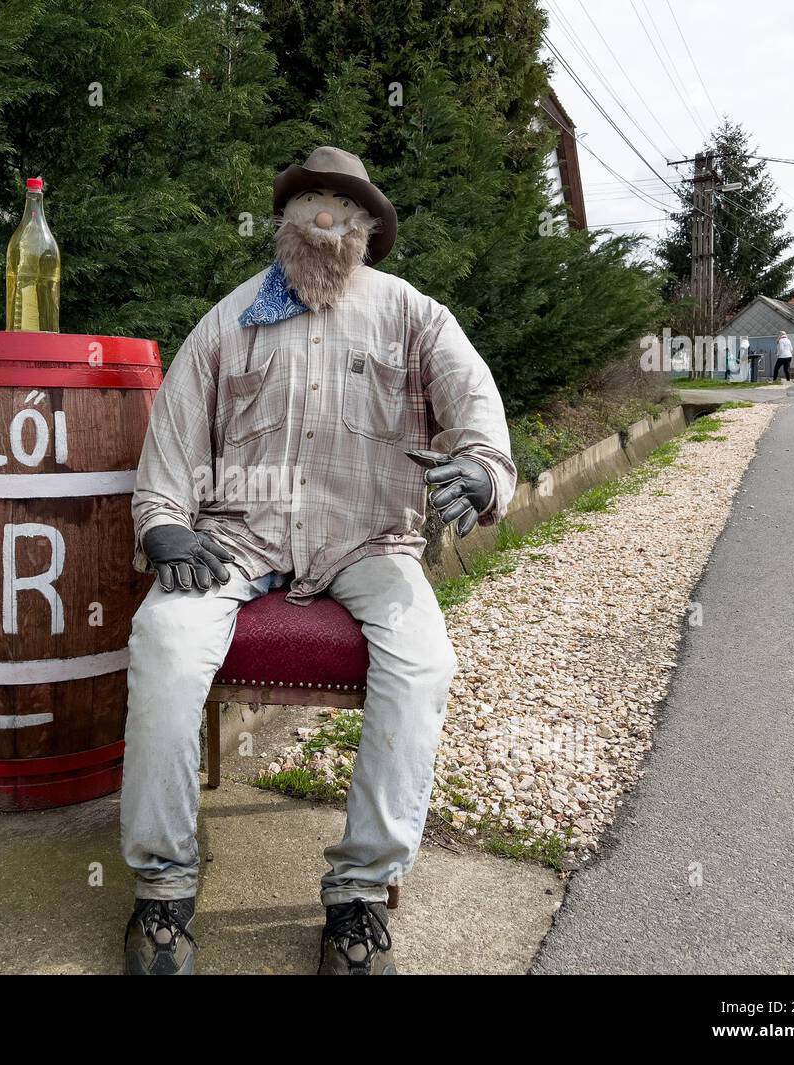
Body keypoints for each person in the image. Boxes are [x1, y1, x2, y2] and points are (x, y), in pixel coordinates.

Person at [119, 146, 515, 975]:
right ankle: (162, 888)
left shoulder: (414, 316)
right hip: (240, 537)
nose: (325, 217)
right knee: (162, 638)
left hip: (371, 541)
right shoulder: (230, 319)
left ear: (369, 227)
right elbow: (175, 433)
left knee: (423, 660)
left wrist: (480, 468)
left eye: (344, 205)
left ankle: (360, 899)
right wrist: (161, 523)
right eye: (310, 202)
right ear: (286, 220)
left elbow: (474, 399)